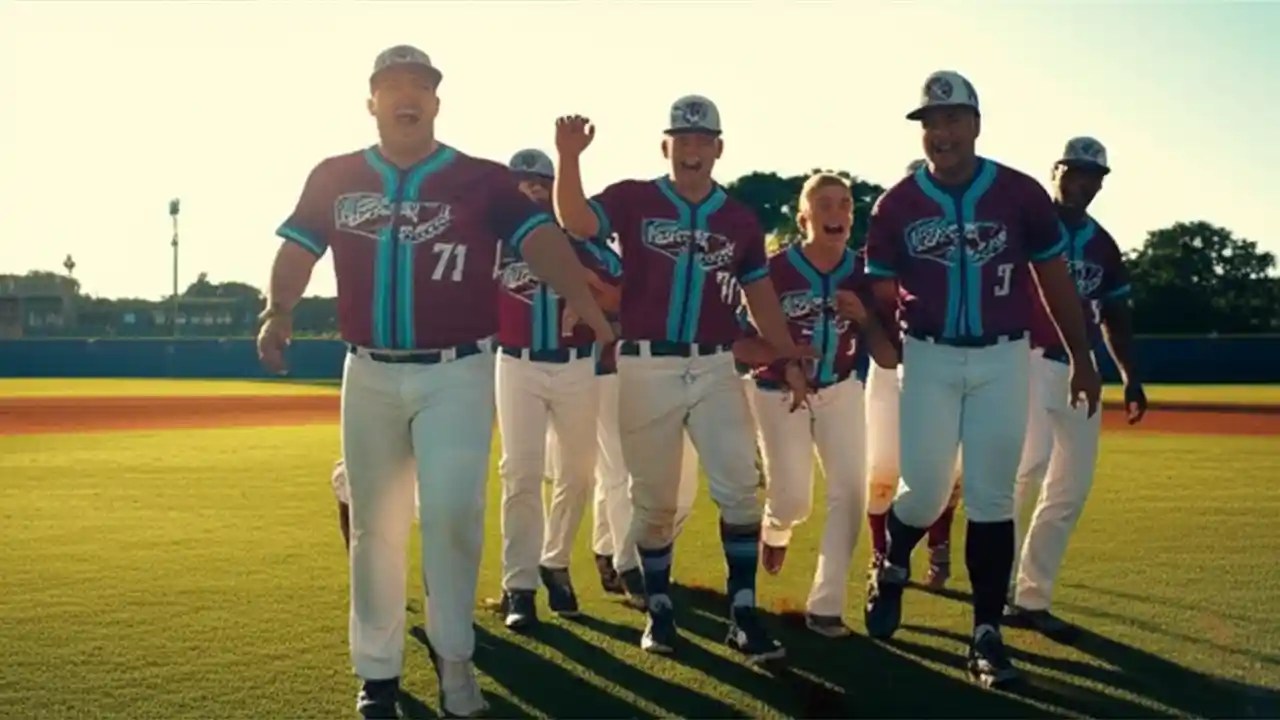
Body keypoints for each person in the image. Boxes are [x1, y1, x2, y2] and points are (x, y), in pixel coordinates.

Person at [258, 45, 612, 719]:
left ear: (436, 102)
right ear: (372, 101)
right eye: (393, 85)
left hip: (459, 369)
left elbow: (542, 241)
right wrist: (278, 312)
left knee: (451, 513)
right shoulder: (335, 175)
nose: (406, 94)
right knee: (376, 527)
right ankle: (379, 674)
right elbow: (298, 247)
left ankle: (455, 660)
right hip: (367, 369)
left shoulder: (479, 180)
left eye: (419, 84)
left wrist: (588, 305)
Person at [861, 70, 1101, 689]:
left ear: (975, 123)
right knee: (924, 493)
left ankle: (986, 635)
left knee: (993, 499)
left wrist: (1082, 355)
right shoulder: (897, 204)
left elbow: (1054, 281)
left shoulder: (1019, 194)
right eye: (930, 123)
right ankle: (891, 562)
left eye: (951, 120)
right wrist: (886, 346)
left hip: (1004, 356)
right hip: (930, 356)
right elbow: (881, 290)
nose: (941, 133)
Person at [552, 96, 812, 664]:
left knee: (740, 487)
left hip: (717, 362)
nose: (692, 150)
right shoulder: (634, 198)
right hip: (647, 363)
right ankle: (660, 608)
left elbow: (760, 297)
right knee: (653, 503)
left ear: (719, 147)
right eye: (682, 140)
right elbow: (575, 220)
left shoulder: (740, 218)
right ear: (665, 145)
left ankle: (743, 611)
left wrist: (788, 355)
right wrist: (568, 158)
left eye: (703, 141)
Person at [745, 173, 899, 638]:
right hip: (777, 392)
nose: (837, 214)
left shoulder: (865, 271)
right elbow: (738, 341)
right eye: (825, 205)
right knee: (793, 499)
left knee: (849, 494)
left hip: (840, 387)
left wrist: (866, 317)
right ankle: (776, 528)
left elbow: (888, 356)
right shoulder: (771, 270)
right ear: (804, 217)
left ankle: (826, 604)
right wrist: (785, 359)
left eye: (845, 205)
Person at [1006, 137, 1147, 641]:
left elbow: (1115, 314)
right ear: (1056, 171)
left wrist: (1129, 374)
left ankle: (1032, 597)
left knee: (1070, 488)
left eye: (1095, 176)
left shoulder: (1102, 244)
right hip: (1028, 360)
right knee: (1025, 471)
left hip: (1081, 369)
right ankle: (997, 591)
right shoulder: (1023, 228)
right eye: (1076, 172)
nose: (1084, 183)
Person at [493, 148, 621, 631]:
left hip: (576, 366)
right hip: (517, 364)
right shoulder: (494, 243)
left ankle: (556, 560)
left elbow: (622, 295)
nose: (531, 189)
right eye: (522, 181)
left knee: (578, 473)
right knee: (520, 473)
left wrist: (592, 301)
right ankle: (518, 585)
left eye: (540, 181)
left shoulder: (586, 245)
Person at [864, 158, 964, 589]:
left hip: (939, 363)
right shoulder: (883, 242)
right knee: (883, 467)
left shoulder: (956, 254)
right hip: (889, 369)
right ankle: (881, 558)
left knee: (944, 469)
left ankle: (937, 545)